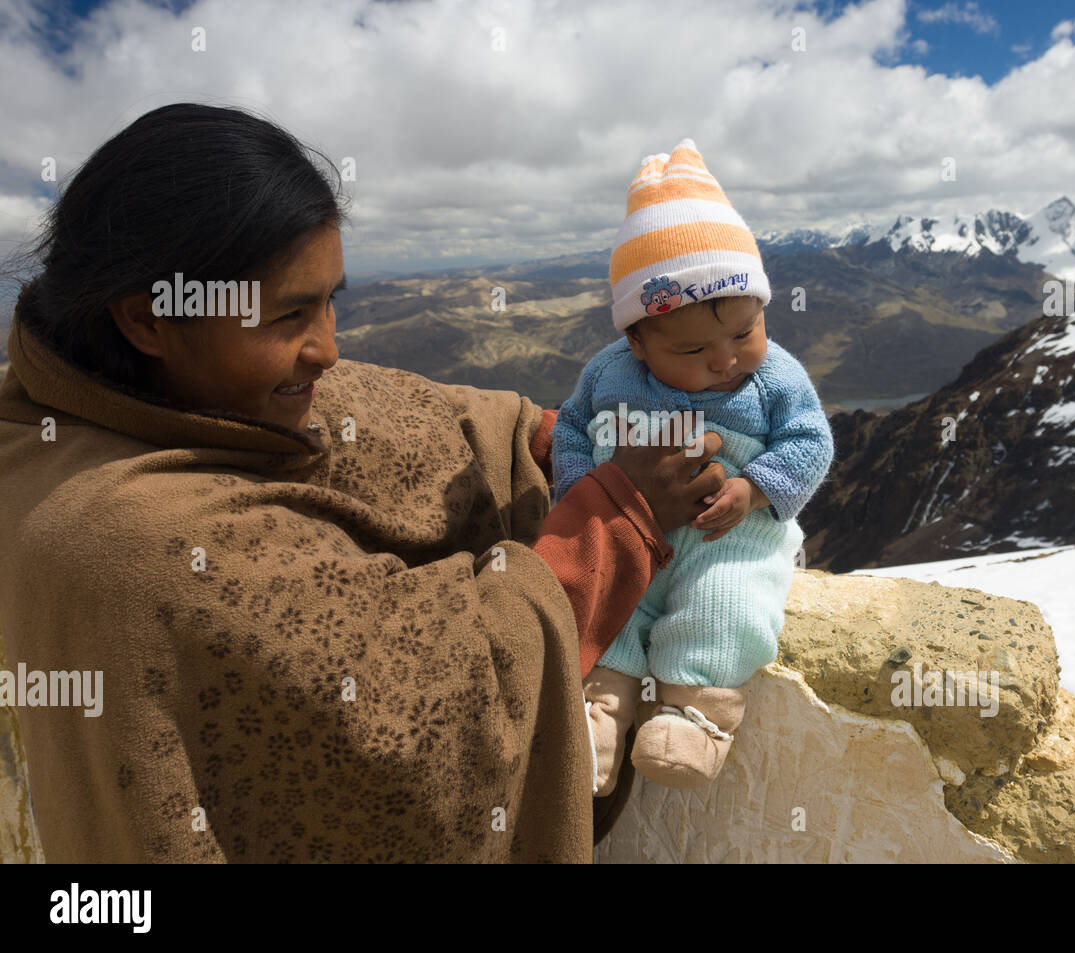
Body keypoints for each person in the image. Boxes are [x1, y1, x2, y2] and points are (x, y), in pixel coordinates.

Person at [0, 103, 726, 863]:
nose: (327, 349)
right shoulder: (134, 539)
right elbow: (432, 722)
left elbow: (414, 416)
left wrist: (565, 436)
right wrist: (615, 516)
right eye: (289, 315)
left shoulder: (116, 400)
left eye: (330, 301)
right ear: (149, 320)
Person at [556, 139, 834, 795]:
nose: (724, 359)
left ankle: (691, 712)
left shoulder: (776, 378)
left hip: (726, 539)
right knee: (611, 604)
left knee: (728, 604)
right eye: (691, 346)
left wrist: (756, 487)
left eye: (744, 332)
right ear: (637, 339)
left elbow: (809, 440)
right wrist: (578, 489)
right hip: (629, 530)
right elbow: (570, 425)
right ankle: (597, 707)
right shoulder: (607, 374)